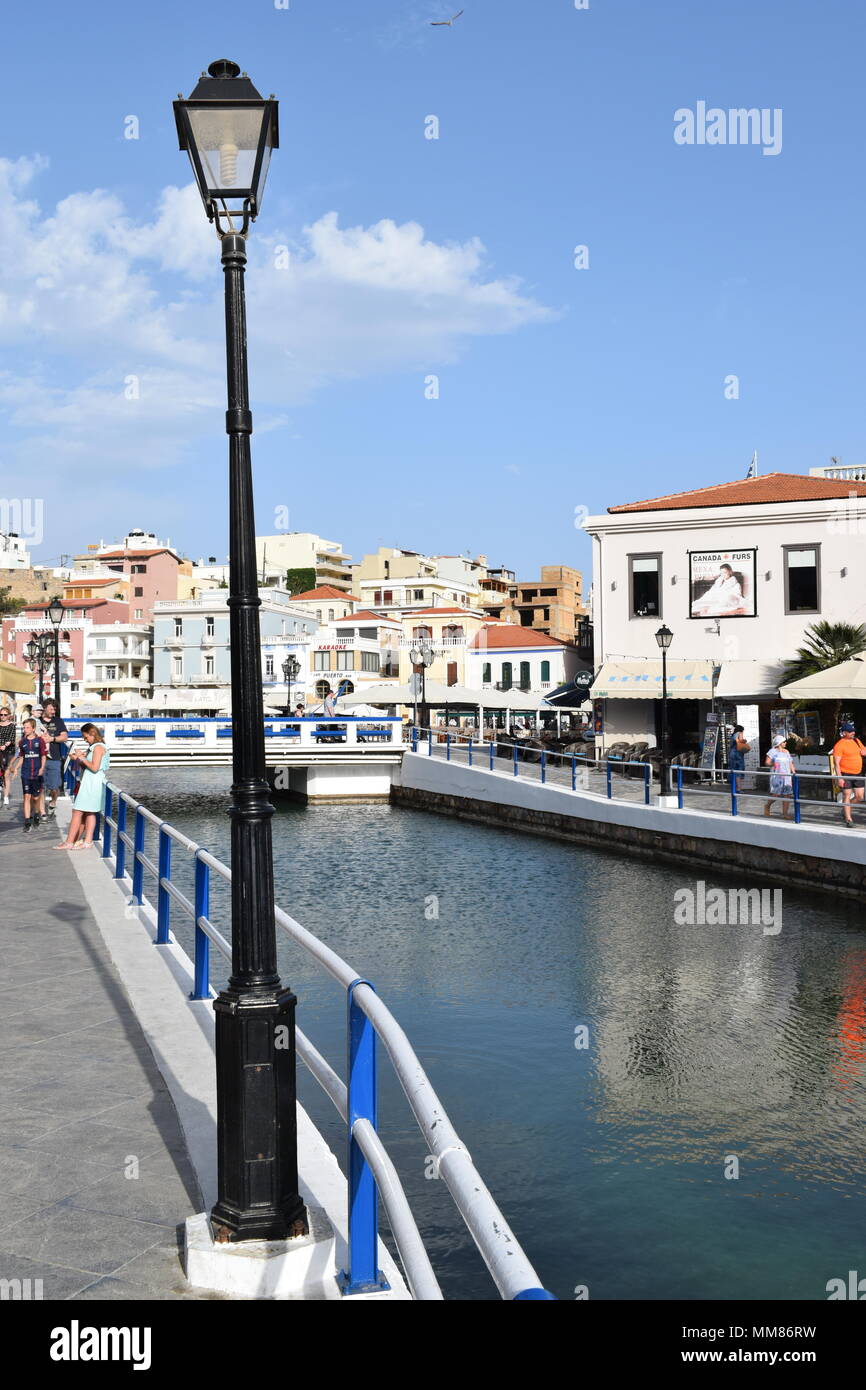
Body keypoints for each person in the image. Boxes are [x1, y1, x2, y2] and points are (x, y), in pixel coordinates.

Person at [55, 723, 110, 850]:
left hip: (92, 783)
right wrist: (78, 759)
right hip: (92, 782)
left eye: (86, 737)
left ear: (92, 733)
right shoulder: (95, 747)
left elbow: (94, 767)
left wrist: (80, 757)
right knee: (90, 812)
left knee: (77, 811)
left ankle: (69, 842)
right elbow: (90, 764)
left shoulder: (98, 748)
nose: (85, 740)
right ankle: (88, 841)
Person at [10, 717, 47, 832]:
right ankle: (27, 822)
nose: (25, 730)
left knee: (36, 798)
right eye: (24, 727)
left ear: (33, 728)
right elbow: (22, 757)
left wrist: (42, 768)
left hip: (37, 772)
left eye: (27, 728)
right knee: (26, 796)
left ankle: (36, 814)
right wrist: (16, 768)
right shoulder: (22, 742)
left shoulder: (40, 741)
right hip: (25, 773)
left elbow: (43, 756)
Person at [832, 720, 866, 828]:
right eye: (850, 731)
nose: (853, 733)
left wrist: (864, 751)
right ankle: (848, 819)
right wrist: (840, 778)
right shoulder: (839, 745)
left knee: (859, 797)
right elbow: (836, 763)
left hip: (858, 773)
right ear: (844, 733)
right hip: (846, 773)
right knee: (846, 795)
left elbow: (864, 750)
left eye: (853, 731)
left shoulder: (856, 741)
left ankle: (846, 807)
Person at [40, 698, 69, 819]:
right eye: (51, 708)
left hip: (54, 758)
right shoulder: (37, 721)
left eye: (55, 708)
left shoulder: (58, 721)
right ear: (45, 708)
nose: (53, 711)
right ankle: (42, 812)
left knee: (54, 787)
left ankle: (53, 802)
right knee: (39, 787)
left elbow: (65, 737)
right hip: (38, 758)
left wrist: (51, 739)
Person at [764, 734, 796, 818]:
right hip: (777, 776)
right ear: (779, 742)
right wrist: (772, 763)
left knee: (787, 795)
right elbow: (767, 763)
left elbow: (790, 763)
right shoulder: (772, 751)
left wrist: (794, 773)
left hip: (787, 776)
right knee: (776, 794)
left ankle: (785, 814)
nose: (786, 743)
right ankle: (767, 805)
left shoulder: (787, 752)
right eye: (784, 742)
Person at [0, 704, 17, 807]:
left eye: (5, 715)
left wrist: (5, 744)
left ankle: (6, 796)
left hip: (9, 751)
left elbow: (12, 738)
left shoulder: (12, 726)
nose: (3, 716)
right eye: (1, 714)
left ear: (9, 715)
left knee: (6, 774)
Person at [728, 723, 750, 791]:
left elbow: (733, 742)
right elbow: (740, 740)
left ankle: (734, 787)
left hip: (732, 753)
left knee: (733, 770)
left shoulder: (733, 735)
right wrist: (744, 740)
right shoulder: (739, 733)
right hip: (737, 753)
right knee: (739, 770)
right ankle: (738, 788)